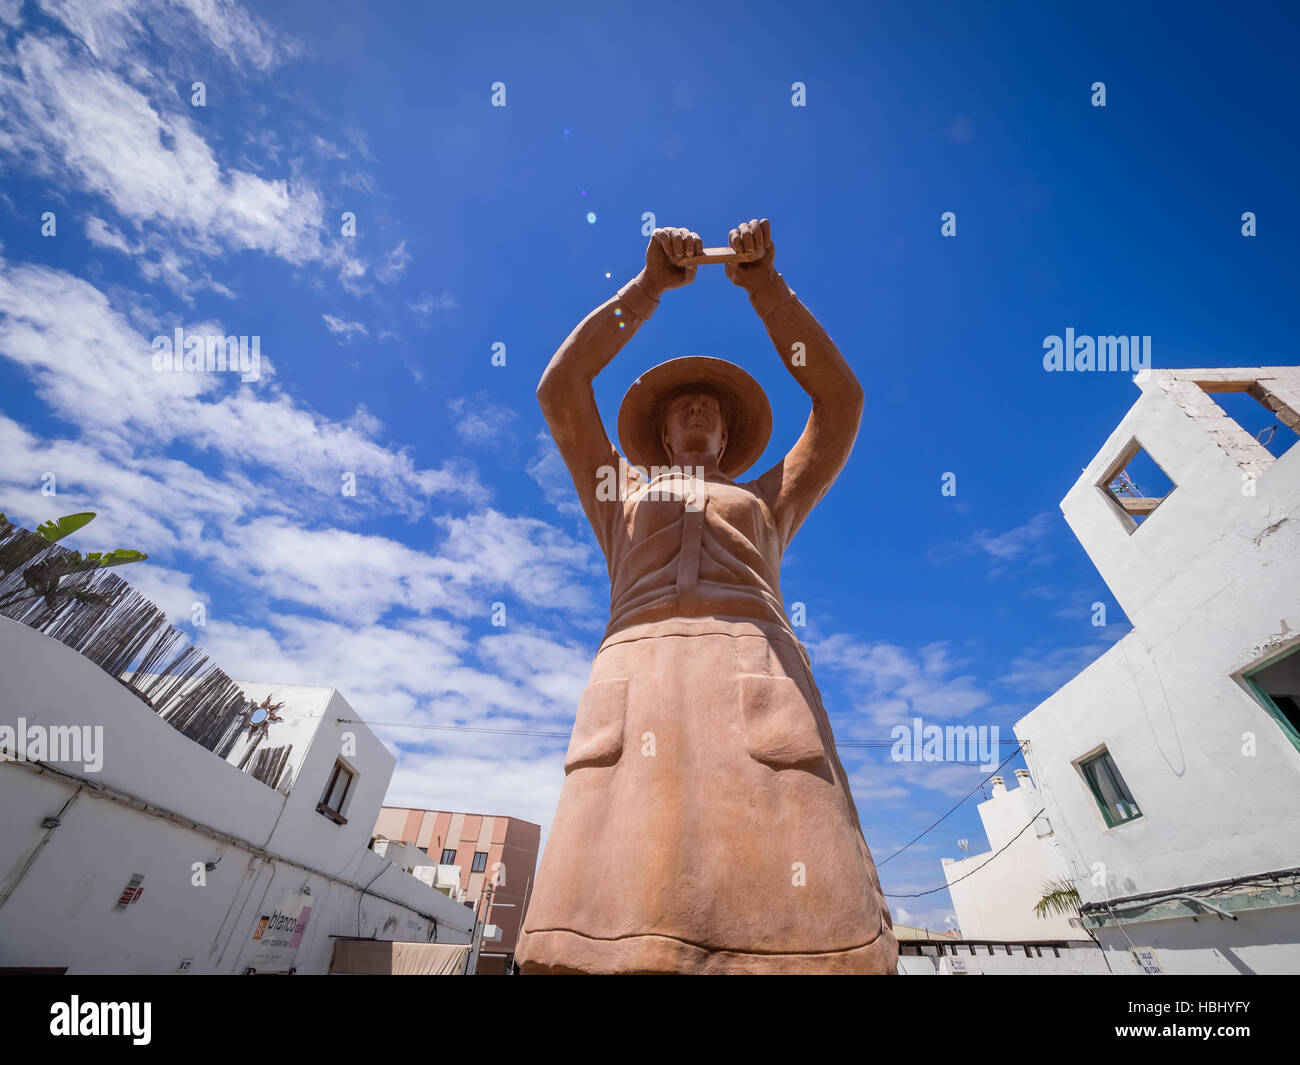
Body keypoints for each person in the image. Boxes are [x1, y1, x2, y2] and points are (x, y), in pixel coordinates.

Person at [515, 219, 898, 974]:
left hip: (753, 672)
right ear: (658, 431)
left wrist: (767, 288)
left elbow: (840, 401)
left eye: (711, 408)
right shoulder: (617, 489)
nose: (698, 410)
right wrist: (648, 287)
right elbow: (561, 389)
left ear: (728, 435)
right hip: (637, 677)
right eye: (682, 405)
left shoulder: (770, 497)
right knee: (606, 911)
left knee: (803, 917)